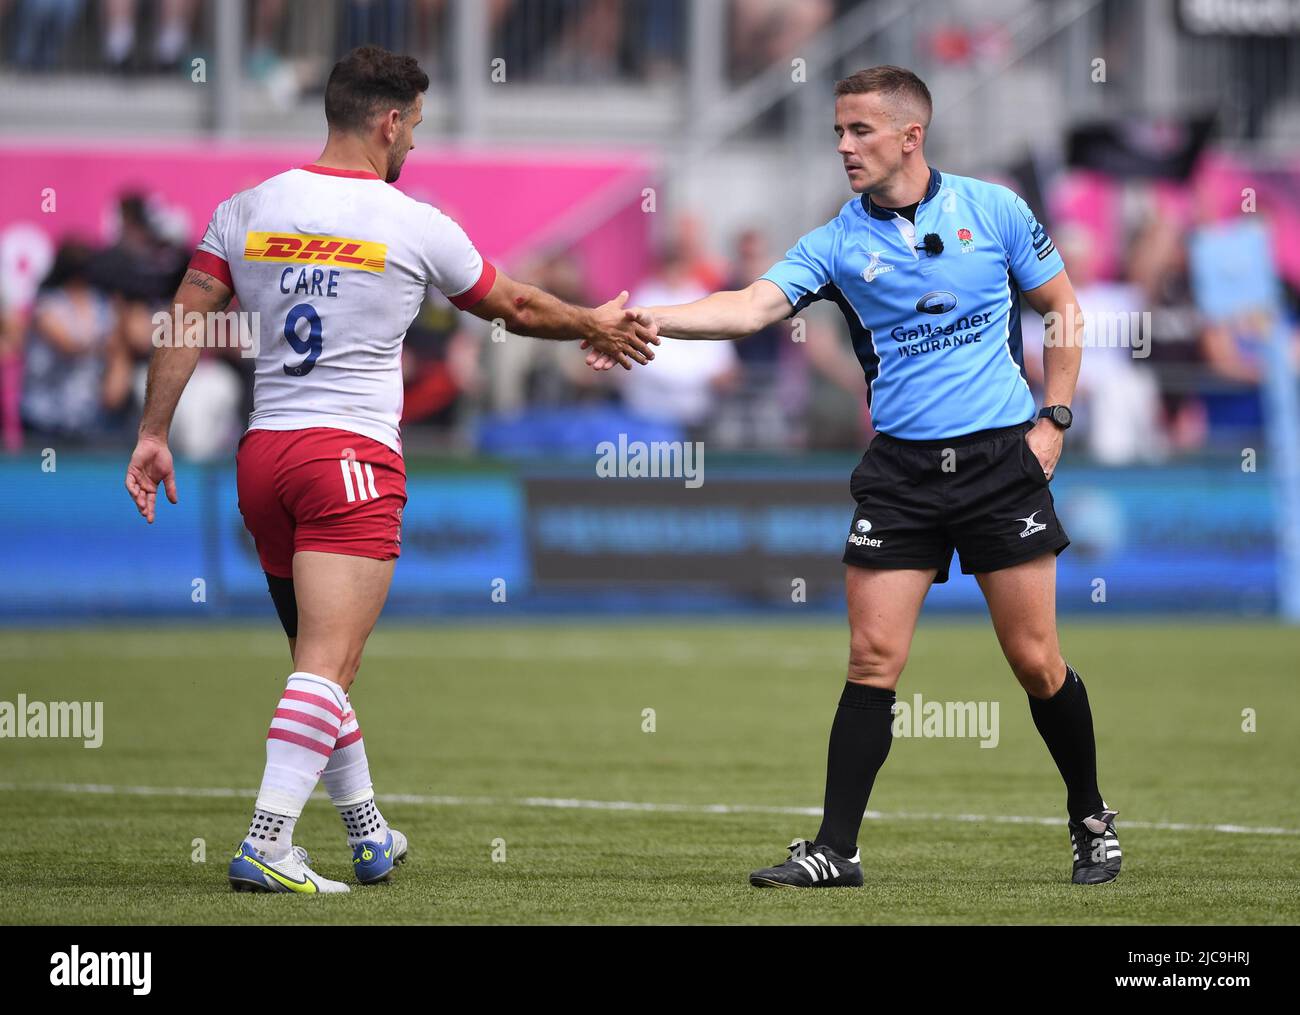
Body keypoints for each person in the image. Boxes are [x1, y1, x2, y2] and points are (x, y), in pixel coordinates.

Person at [124, 45, 657, 894]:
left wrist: (154, 430)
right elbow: (515, 304)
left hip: (264, 459)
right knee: (326, 665)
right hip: (350, 459)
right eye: (414, 125)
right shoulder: (413, 222)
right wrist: (593, 321)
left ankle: (368, 831)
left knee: (318, 659)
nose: (415, 141)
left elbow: (184, 318)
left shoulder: (246, 208)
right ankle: (267, 843)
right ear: (388, 120)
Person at [591, 65, 1120, 888]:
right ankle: (836, 849)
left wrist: (1053, 419)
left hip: (999, 465)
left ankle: (1090, 816)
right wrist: (647, 317)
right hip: (900, 473)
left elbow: (1062, 308)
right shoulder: (837, 240)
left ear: (911, 136)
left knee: (1035, 661)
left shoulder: (995, 209)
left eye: (859, 130)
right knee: (872, 658)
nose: (842, 145)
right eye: (837, 130)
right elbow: (752, 306)